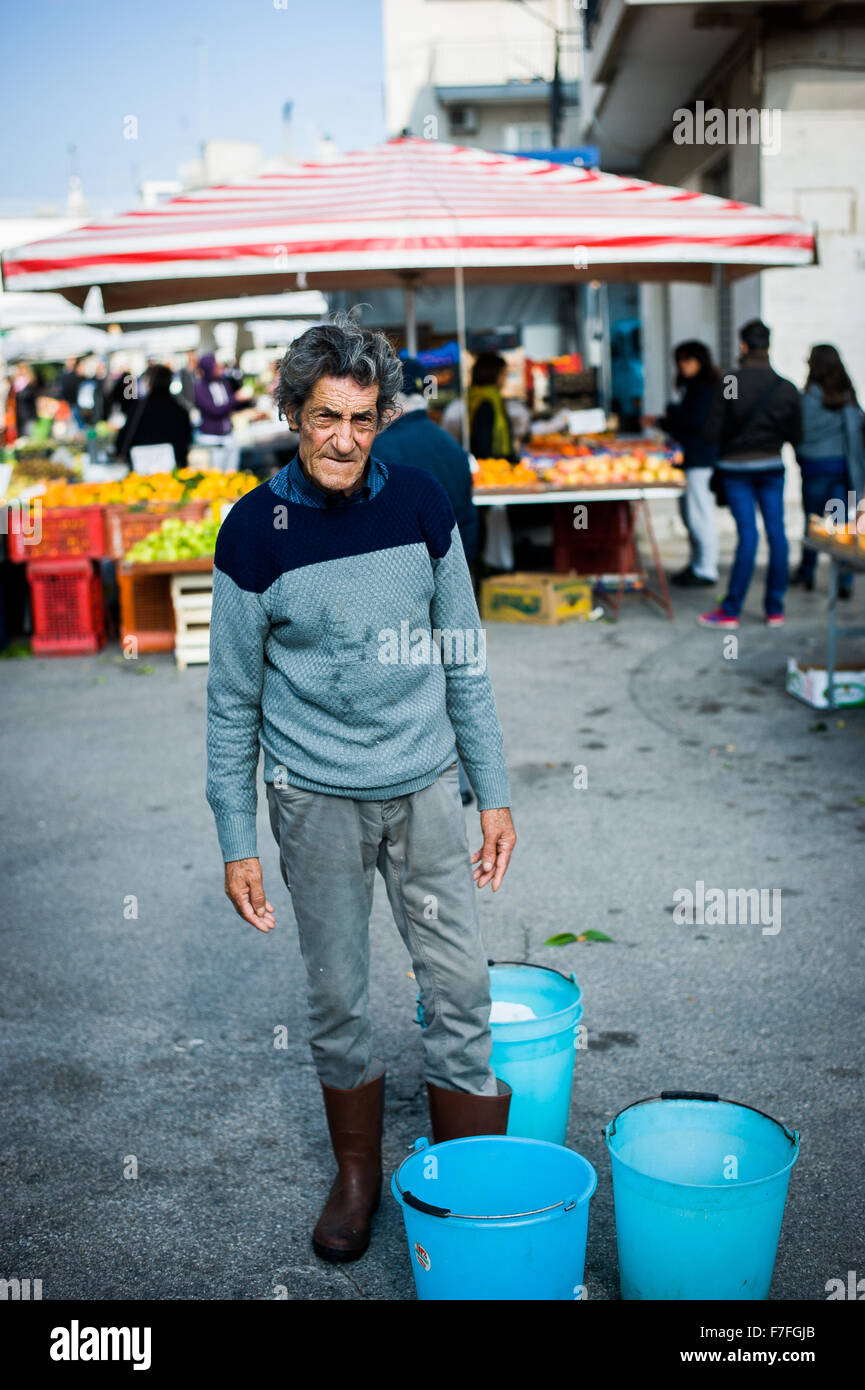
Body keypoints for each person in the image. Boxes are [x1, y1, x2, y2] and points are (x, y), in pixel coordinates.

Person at [205, 311, 516, 1263]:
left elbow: (462, 658)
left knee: (460, 983)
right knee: (338, 997)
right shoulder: (256, 531)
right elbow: (230, 703)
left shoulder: (421, 503)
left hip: (423, 788)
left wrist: (491, 788)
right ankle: (356, 1175)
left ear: (383, 417)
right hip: (316, 800)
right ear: (294, 415)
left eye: (364, 418)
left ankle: (466, 1180)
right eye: (326, 417)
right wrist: (236, 835)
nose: (345, 438)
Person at [373, 356, 482, 806]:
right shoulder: (449, 443)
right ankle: (462, 779)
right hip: (457, 580)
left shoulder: (381, 452)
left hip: (404, 591)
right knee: (457, 676)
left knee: (412, 685)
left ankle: (423, 778)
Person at [698, 319, 801, 629]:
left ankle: (731, 611)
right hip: (771, 465)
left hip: (736, 469)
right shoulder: (785, 386)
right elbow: (797, 435)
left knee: (748, 537)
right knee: (777, 535)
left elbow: (711, 432)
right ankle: (775, 610)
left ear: (743, 346)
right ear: (768, 346)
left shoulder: (731, 382)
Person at [791, 344, 865, 599]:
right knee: (841, 524)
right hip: (842, 469)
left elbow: (797, 435)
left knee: (813, 523)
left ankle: (807, 572)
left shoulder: (805, 401)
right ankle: (844, 578)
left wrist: (803, 456)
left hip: (813, 468)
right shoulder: (847, 398)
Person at [657, 340, 723, 588]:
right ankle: (697, 564)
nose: (683, 365)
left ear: (700, 361)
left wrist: (671, 415)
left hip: (701, 459)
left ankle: (707, 568)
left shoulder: (706, 388)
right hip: (688, 458)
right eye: (680, 360)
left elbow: (695, 421)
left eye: (688, 360)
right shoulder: (690, 386)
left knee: (699, 515)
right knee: (689, 515)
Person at [116, 363, 192, 469]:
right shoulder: (179, 408)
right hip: (173, 471)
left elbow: (123, 439)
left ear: (149, 381)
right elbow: (187, 439)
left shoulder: (139, 407)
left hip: (141, 469)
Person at [194, 352, 249, 471]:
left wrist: (245, 400)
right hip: (212, 439)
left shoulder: (224, 383)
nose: (219, 368)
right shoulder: (200, 388)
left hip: (228, 435)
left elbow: (231, 406)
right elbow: (215, 410)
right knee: (216, 474)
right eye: (215, 366)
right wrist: (236, 399)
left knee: (232, 472)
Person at [468, 352, 517, 461]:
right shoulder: (486, 402)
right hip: (492, 467)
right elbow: (483, 443)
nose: (505, 379)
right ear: (493, 374)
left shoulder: (486, 398)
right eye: (504, 374)